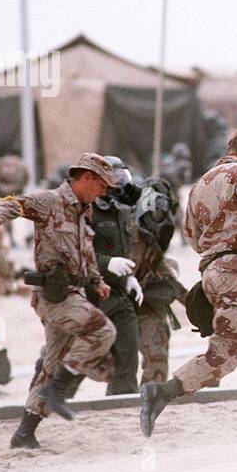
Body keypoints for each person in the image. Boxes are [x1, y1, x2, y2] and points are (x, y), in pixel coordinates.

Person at [137, 128, 237, 443]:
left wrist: (219, 250)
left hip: (213, 272)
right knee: (227, 354)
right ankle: (162, 393)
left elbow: (192, 236)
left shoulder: (200, 184)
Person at [0, 153, 118, 449]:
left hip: (73, 293)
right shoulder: (50, 201)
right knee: (103, 331)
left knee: (52, 364)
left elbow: (85, 253)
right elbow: (12, 203)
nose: (105, 192)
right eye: (103, 185)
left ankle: (25, 433)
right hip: (53, 296)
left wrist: (97, 281)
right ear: (87, 177)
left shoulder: (83, 211)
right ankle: (57, 390)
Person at [91, 158, 144, 394]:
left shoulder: (122, 213)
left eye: (122, 178)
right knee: (76, 356)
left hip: (118, 293)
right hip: (89, 294)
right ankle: (49, 398)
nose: (121, 185)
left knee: (128, 353)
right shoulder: (86, 211)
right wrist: (106, 263)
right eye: (115, 179)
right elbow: (73, 254)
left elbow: (124, 251)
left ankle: (123, 401)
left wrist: (128, 278)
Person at [132, 175, 184, 386]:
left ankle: (147, 400)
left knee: (157, 357)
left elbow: (158, 266)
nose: (157, 217)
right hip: (114, 301)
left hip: (146, 302)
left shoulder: (155, 239)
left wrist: (193, 302)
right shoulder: (126, 229)